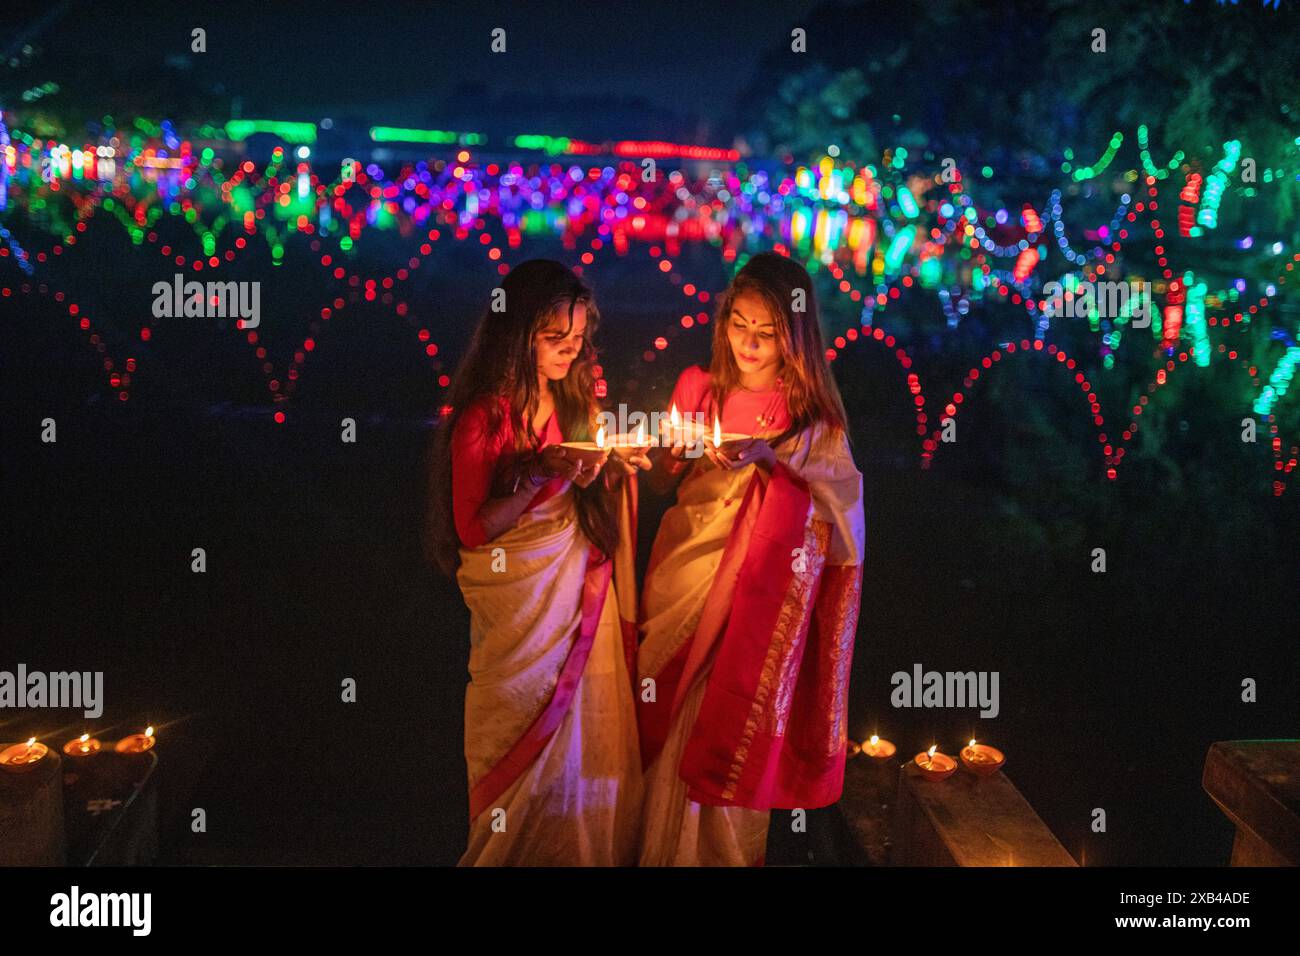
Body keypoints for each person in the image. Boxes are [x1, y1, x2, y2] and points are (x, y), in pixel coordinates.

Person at [637, 251, 866, 866]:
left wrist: (769, 465)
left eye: (767, 331)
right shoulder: (699, 388)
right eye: (739, 324)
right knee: (663, 706)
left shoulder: (811, 420)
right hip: (684, 570)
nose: (750, 343)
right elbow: (663, 482)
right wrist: (670, 457)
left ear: (795, 335)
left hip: (752, 600)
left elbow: (839, 519)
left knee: (724, 712)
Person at [424, 259, 648, 865]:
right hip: (519, 609)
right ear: (517, 333)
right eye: (555, 338)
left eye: (577, 338)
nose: (571, 351)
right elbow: (474, 530)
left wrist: (612, 468)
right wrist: (539, 474)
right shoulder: (484, 417)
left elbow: (578, 484)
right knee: (519, 740)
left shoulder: (569, 400)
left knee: (581, 748)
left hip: (575, 595)